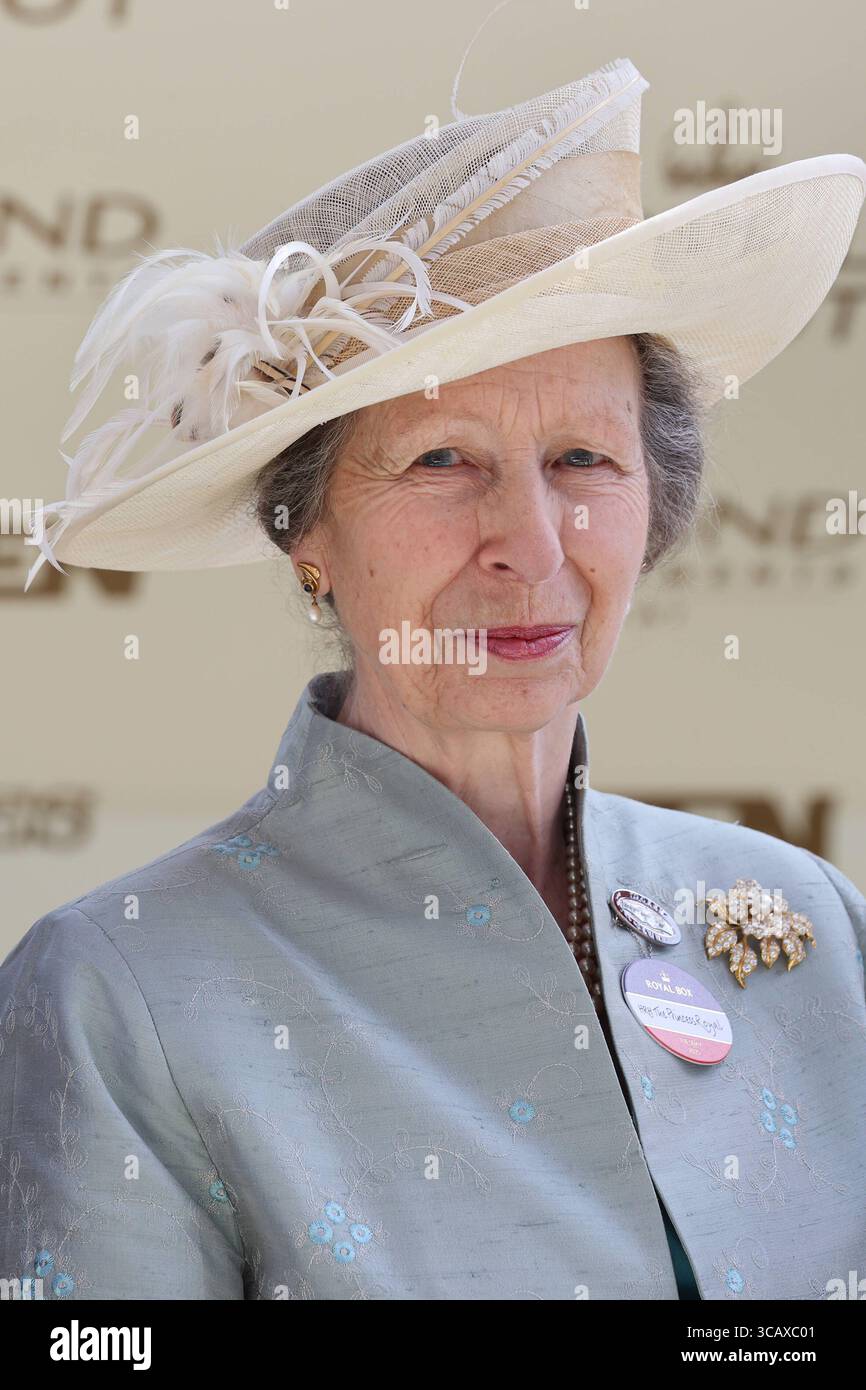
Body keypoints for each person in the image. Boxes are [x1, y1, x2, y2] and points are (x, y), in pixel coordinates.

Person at [3, 54, 865, 1301]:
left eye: (582, 457)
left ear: (654, 503)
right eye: (441, 460)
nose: (529, 540)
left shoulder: (812, 927)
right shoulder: (117, 995)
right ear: (308, 535)